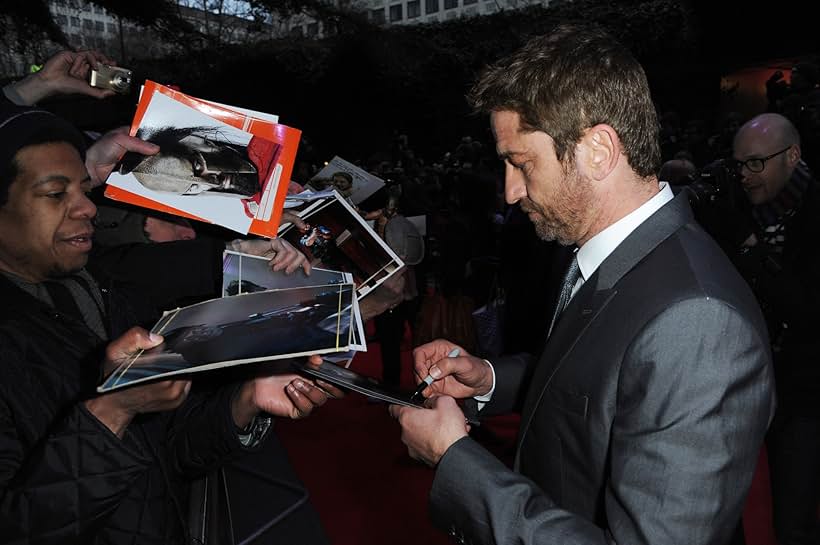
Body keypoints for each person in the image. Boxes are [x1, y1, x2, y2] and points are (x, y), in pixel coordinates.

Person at [389, 24, 775, 545]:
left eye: (521, 163)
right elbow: (592, 381)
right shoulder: (604, 255)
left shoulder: (699, 322)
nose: (509, 191)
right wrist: (489, 379)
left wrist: (456, 462)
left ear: (598, 149)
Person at [0, 105, 341, 543]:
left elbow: (168, 451)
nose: (86, 207)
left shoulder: (99, 295)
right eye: (54, 193)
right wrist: (112, 410)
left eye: (85, 190)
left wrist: (245, 400)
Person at [721, 113, 819, 545]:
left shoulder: (815, 214)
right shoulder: (736, 211)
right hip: (746, 385)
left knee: (793, 517)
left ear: (792, 156)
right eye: (739, 164)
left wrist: (754, 257)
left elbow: (809, 310)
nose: (744, 175)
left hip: (805, 392)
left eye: (756, 163)